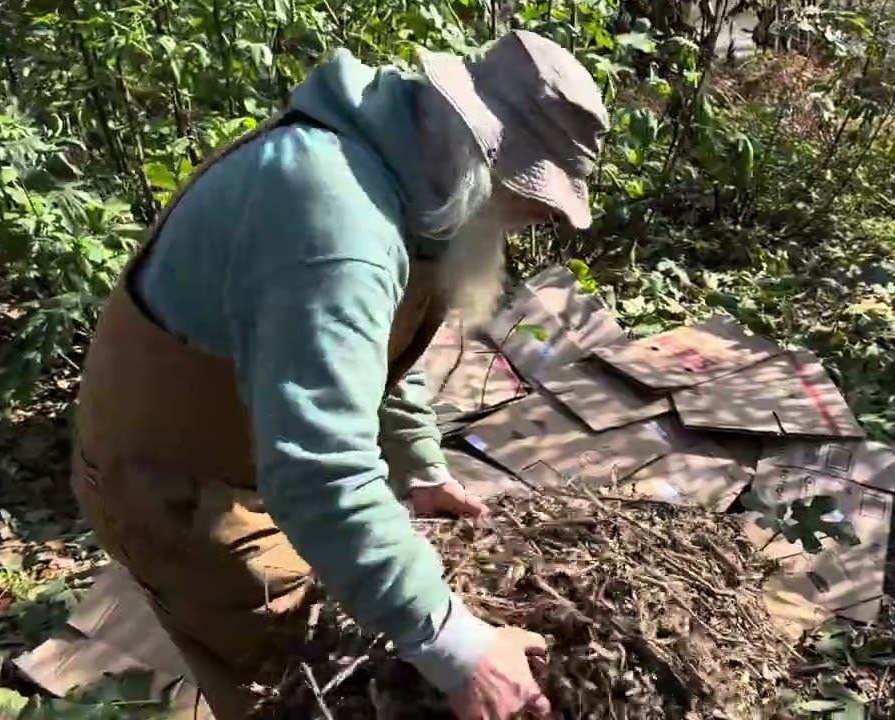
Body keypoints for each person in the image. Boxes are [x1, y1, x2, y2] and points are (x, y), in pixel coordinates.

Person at [68, 29, 610, 720]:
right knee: (293, 688)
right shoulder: (334, 223)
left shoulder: (401, 168)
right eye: (521, 205)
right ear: (478, 154)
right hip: (180, 489)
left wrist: (419, 468)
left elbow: (374, 354)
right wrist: (453, 642)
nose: (522, 227)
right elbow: (320, 470)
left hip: (260, 451)